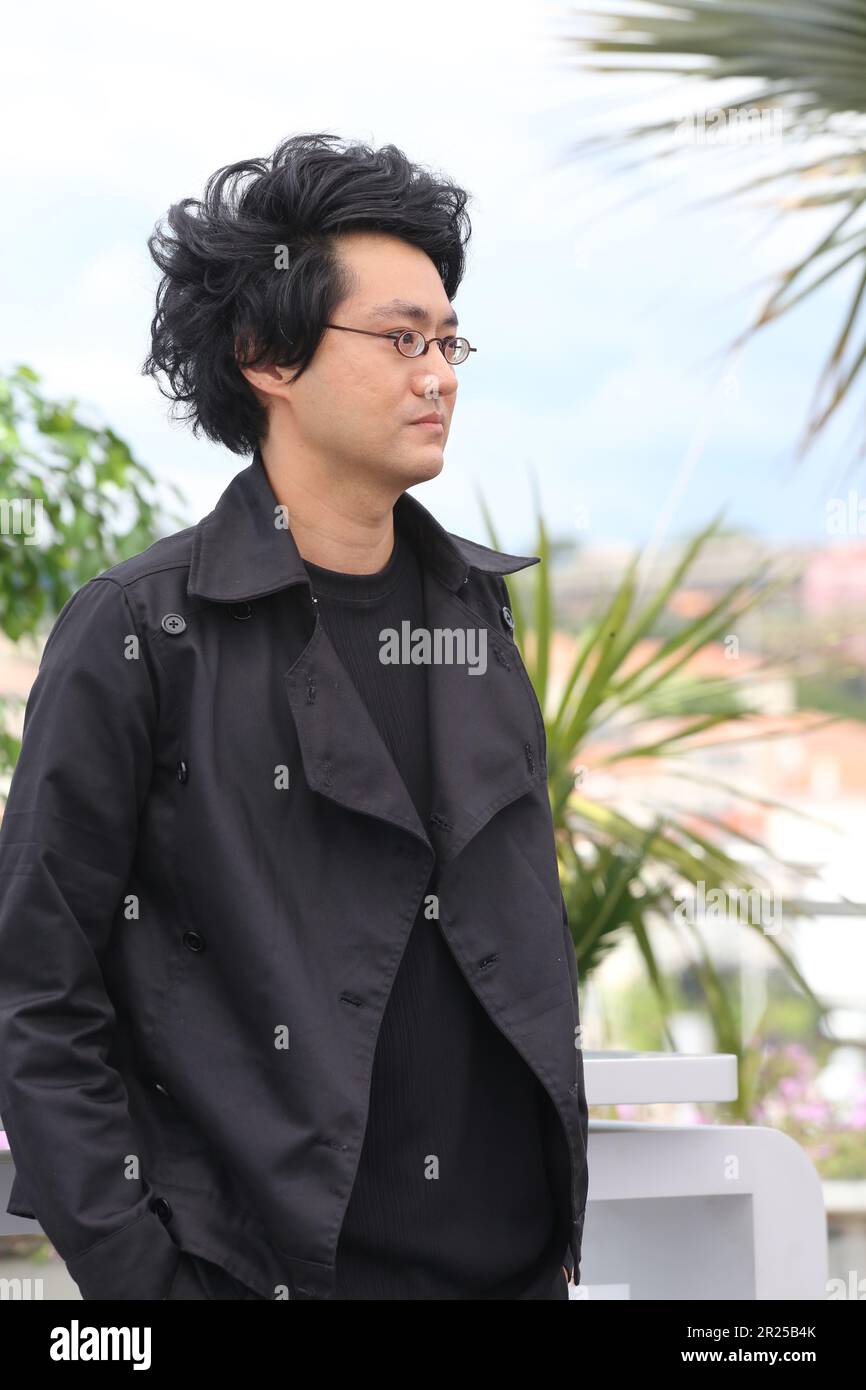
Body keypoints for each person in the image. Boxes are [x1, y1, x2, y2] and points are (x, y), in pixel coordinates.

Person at [0, 133, 588, 1301]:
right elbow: (36, 987)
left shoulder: (478, 615)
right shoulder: (139, 631)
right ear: (266, 354)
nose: (440, 373)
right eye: (399, 338)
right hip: (260, 1275)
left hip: (512, 1274)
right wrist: (143, 1278)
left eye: (448, 338)